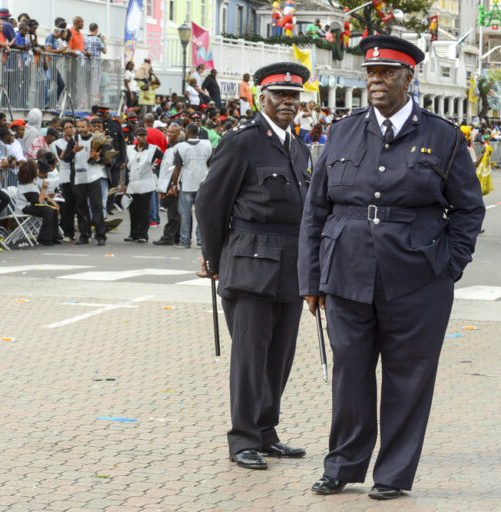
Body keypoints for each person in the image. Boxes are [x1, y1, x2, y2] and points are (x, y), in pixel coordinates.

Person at [298, 36, 485, 500]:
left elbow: (468, 209)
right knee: (350, 373)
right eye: (370, 73)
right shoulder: (342, 131)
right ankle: (342, 466)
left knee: (409, 378)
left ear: (408, 77)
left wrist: (448, 265)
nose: (376, 81)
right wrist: (311, 279)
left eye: (386, 73)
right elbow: (316, 210)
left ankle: (393, 475)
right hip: (346, 273)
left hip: (418, 279)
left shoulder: (442, 136)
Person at [195, 62, 312, 472]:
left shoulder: (299, 148)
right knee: (250, 357)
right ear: (262, 98)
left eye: (294, 97)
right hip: (251, 264)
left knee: (280, 356)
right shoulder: (241, 142)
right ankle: (243, 438)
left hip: (291, 265)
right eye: (280, 95)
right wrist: (214, 259)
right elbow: (210, 202)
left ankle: (265, 432)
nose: (288, 103)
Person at [63, 118, 108, 246]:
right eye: (79, 127)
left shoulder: (97, 139)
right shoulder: (74, 139)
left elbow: (105, 158)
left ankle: (100, 235)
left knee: (96, 206)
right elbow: (66, 158)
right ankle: (84, 235)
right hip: (79, 177)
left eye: (83, 127)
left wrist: (97, 158)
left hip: (94, 176)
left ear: (89, 127)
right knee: (80, 207)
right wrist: (73, 151)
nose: (81, 129)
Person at [168, 123, 212, 248]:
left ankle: (185, 241)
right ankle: (201, 239)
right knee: (202, 214)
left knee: (185, 214)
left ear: (187, 132)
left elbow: (177, 167)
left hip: (187, 183)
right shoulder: (207, 145)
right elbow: (210, 164)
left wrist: (174, 184)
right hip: (203, 183)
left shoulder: (181, 147)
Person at [123, 127, 163, 243]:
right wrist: (125, 183)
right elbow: (127, 167)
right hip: (132, 183)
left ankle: (143, 234)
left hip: (146, 183)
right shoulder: (130, 149)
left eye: (144, 135)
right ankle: (133, 234)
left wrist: (156, 168)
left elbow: (165, 159)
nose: (142, 138)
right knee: (133, 210)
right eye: (140, 136)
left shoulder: (153, 149)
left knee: (144, 210)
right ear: (136, 137)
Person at [17, 160, 60, 246]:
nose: (38, 170)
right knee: (48, 211)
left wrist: (51, 201)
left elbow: (39, 197)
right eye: (36, 169)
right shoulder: (26, 186)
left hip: (32, 205)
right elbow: (39, 201)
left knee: (53, 209)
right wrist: (44, 188)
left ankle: (54, 236)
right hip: (24, 208)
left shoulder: (32, 181)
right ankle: (44, 238)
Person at [51, 119, 76, 242]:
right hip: (66, 176)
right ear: (62, 130)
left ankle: (84, 232)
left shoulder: (79, 140)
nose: (69, 129)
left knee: (80, 205)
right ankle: (68, 233)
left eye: (71, 127)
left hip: (79, 176)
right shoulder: (57, 143)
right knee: (68, 206)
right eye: (67, 127)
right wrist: (71, 150)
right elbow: (62, 158)